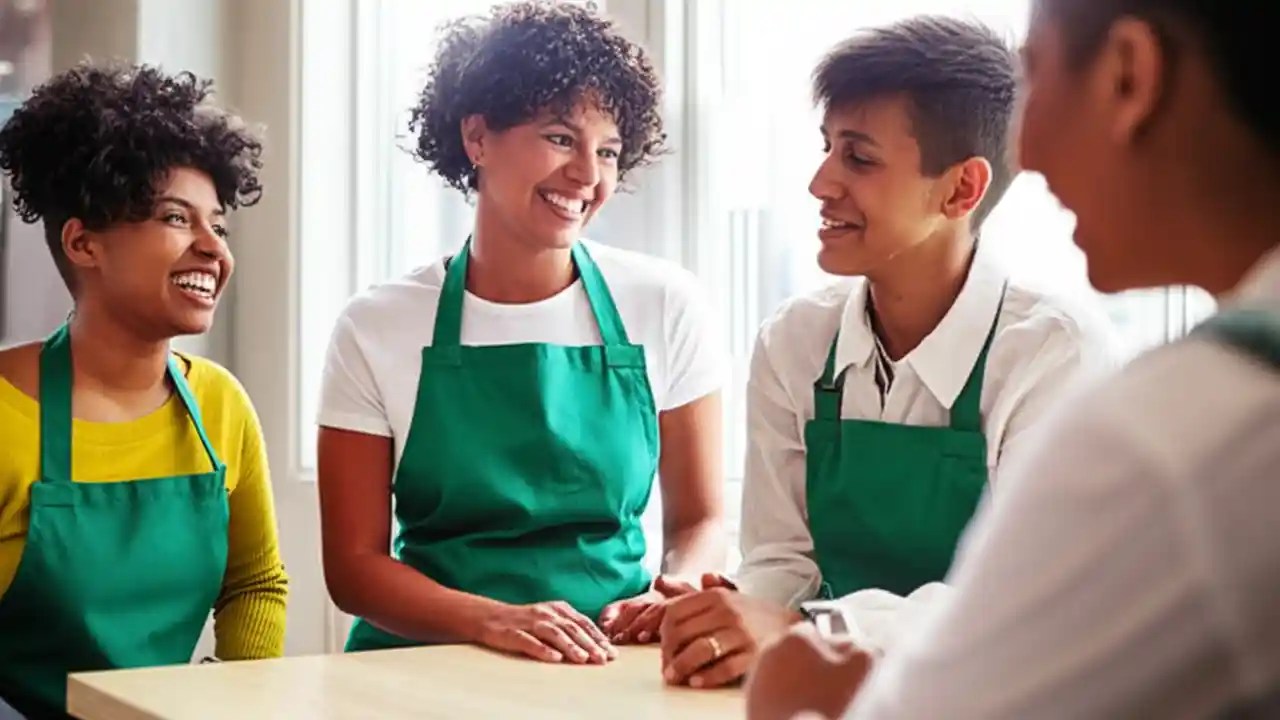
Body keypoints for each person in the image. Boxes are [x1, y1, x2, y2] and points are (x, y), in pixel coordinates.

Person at [745, 1, 1280, 718]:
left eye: (1037, 72)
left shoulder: (1163, 438)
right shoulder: (795, 340)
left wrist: (802, 674)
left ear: (1130, 77)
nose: (1022, 153)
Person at [660, 15, 1119, 690]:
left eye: (859, 157)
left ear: (961, 188)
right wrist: (727, 614)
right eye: (826, 148)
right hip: (825, 690)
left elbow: (1026, 598)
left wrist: (811, 631)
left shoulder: (1054, 357)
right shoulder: (793, 343)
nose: (820, 182)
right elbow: (782, 558)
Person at [316, 0, 726, 665]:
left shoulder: (666, 305)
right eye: (561, 137)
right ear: (477, 137)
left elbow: (701, 521)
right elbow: (354, 569)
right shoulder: (377, 325)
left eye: (609, 150)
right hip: (420, 661)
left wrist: (675, 590)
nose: (588, 175)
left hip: (607, 659)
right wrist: (491, 621)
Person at [0, 62, 288, 719]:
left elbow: (254, 583)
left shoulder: (221, 406)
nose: (213, 248)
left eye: (218, 224)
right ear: (83, 243)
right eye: (175, 218)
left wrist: (231, 700)